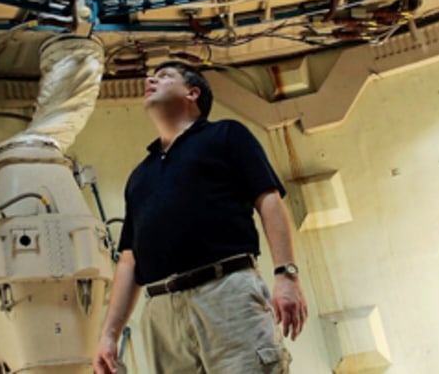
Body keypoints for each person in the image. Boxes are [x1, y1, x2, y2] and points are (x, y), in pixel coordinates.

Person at [94, 61, 308, 374]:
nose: (151, 79)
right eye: (152, 76)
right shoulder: (139, 177)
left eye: (165, 75)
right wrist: (109, 334)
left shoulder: (226, 135)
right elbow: (129, 259)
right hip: (161, 311)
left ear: (192, 93)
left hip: (226, 293)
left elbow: (269, 199)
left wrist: (286, 275)